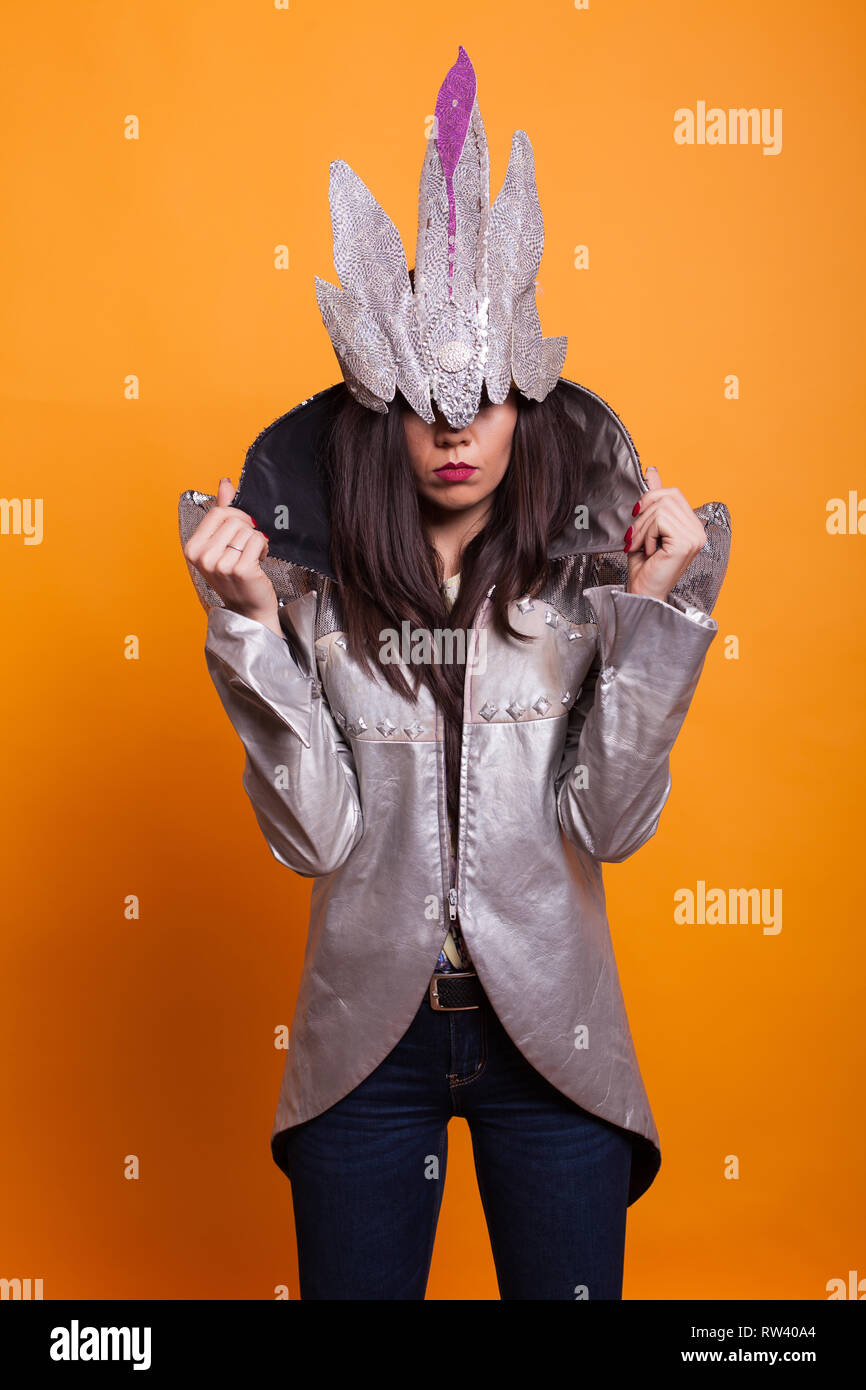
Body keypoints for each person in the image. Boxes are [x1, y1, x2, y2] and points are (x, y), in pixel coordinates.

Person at [179, 46, 731, 1299]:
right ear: (380, 406)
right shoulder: (309, 581)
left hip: (555, 1035)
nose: (452, 429)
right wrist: (254, 625)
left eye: (481, 399)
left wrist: (649, 612)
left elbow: (608, 821)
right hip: (363, 1046)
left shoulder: (591, 573)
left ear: (523, 403)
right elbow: (314, 839)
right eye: (427, 402)